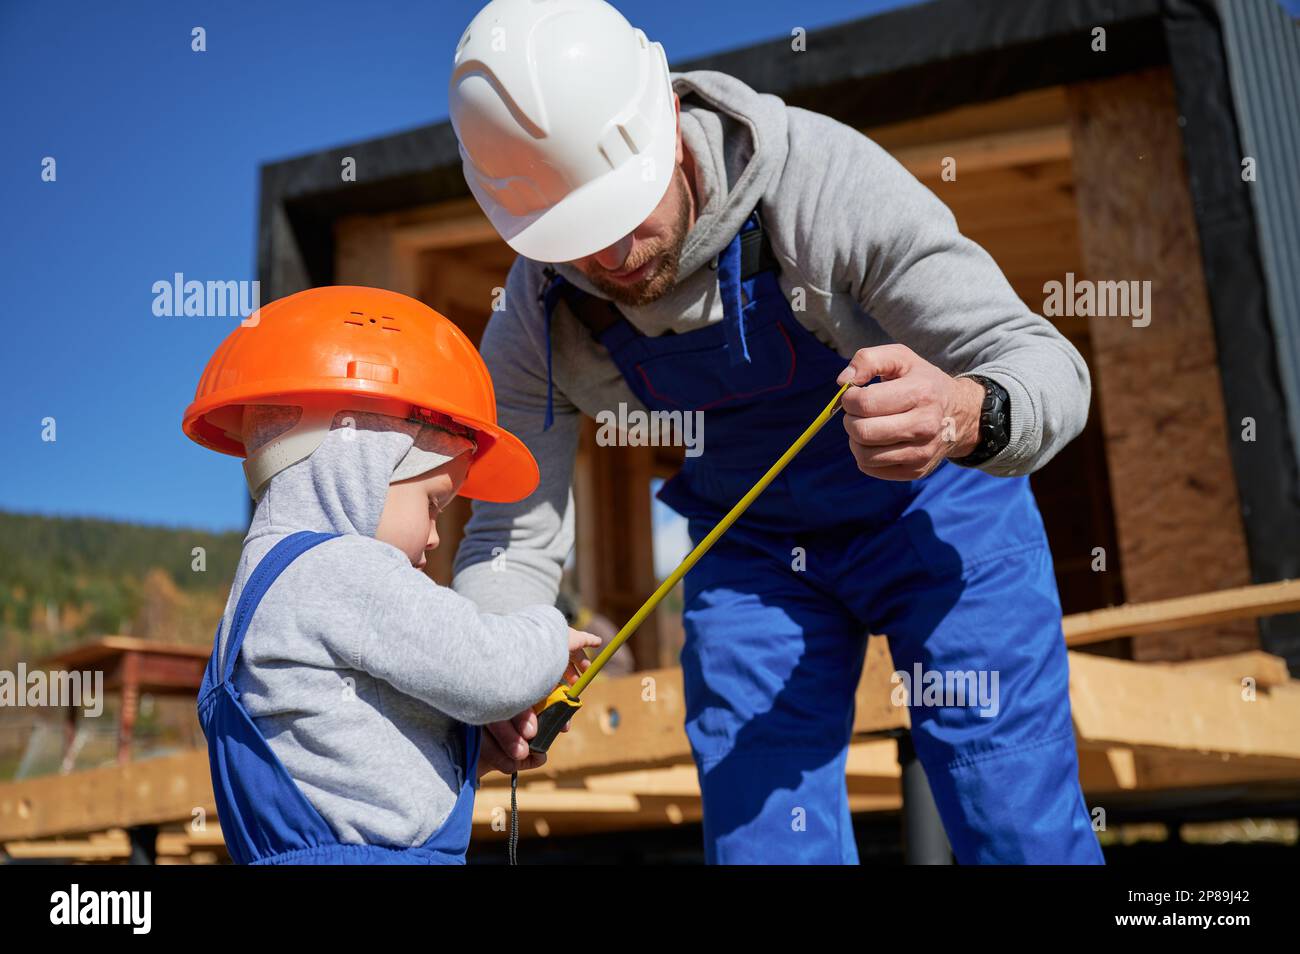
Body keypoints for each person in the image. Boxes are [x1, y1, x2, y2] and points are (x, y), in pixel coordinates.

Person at [447, 0, 1103, 863]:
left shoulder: (821, 184)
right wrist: (495, 671)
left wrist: (963, 411)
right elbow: (510, 536)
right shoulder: (537, 314)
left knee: (1013, 815)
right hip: (754, 552)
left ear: (667, 120)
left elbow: (1045, 363)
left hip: (939, 515)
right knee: (764, 836)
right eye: (574, 241)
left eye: (625, 213)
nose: (608, 261)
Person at [182, 285, 599, 864]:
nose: (433, 536)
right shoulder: (340, 570)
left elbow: (350, 756)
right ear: (362, 461)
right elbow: (486, 666)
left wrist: (466, 751)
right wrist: (550, 636)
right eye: (432, 504)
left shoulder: (266, 590)